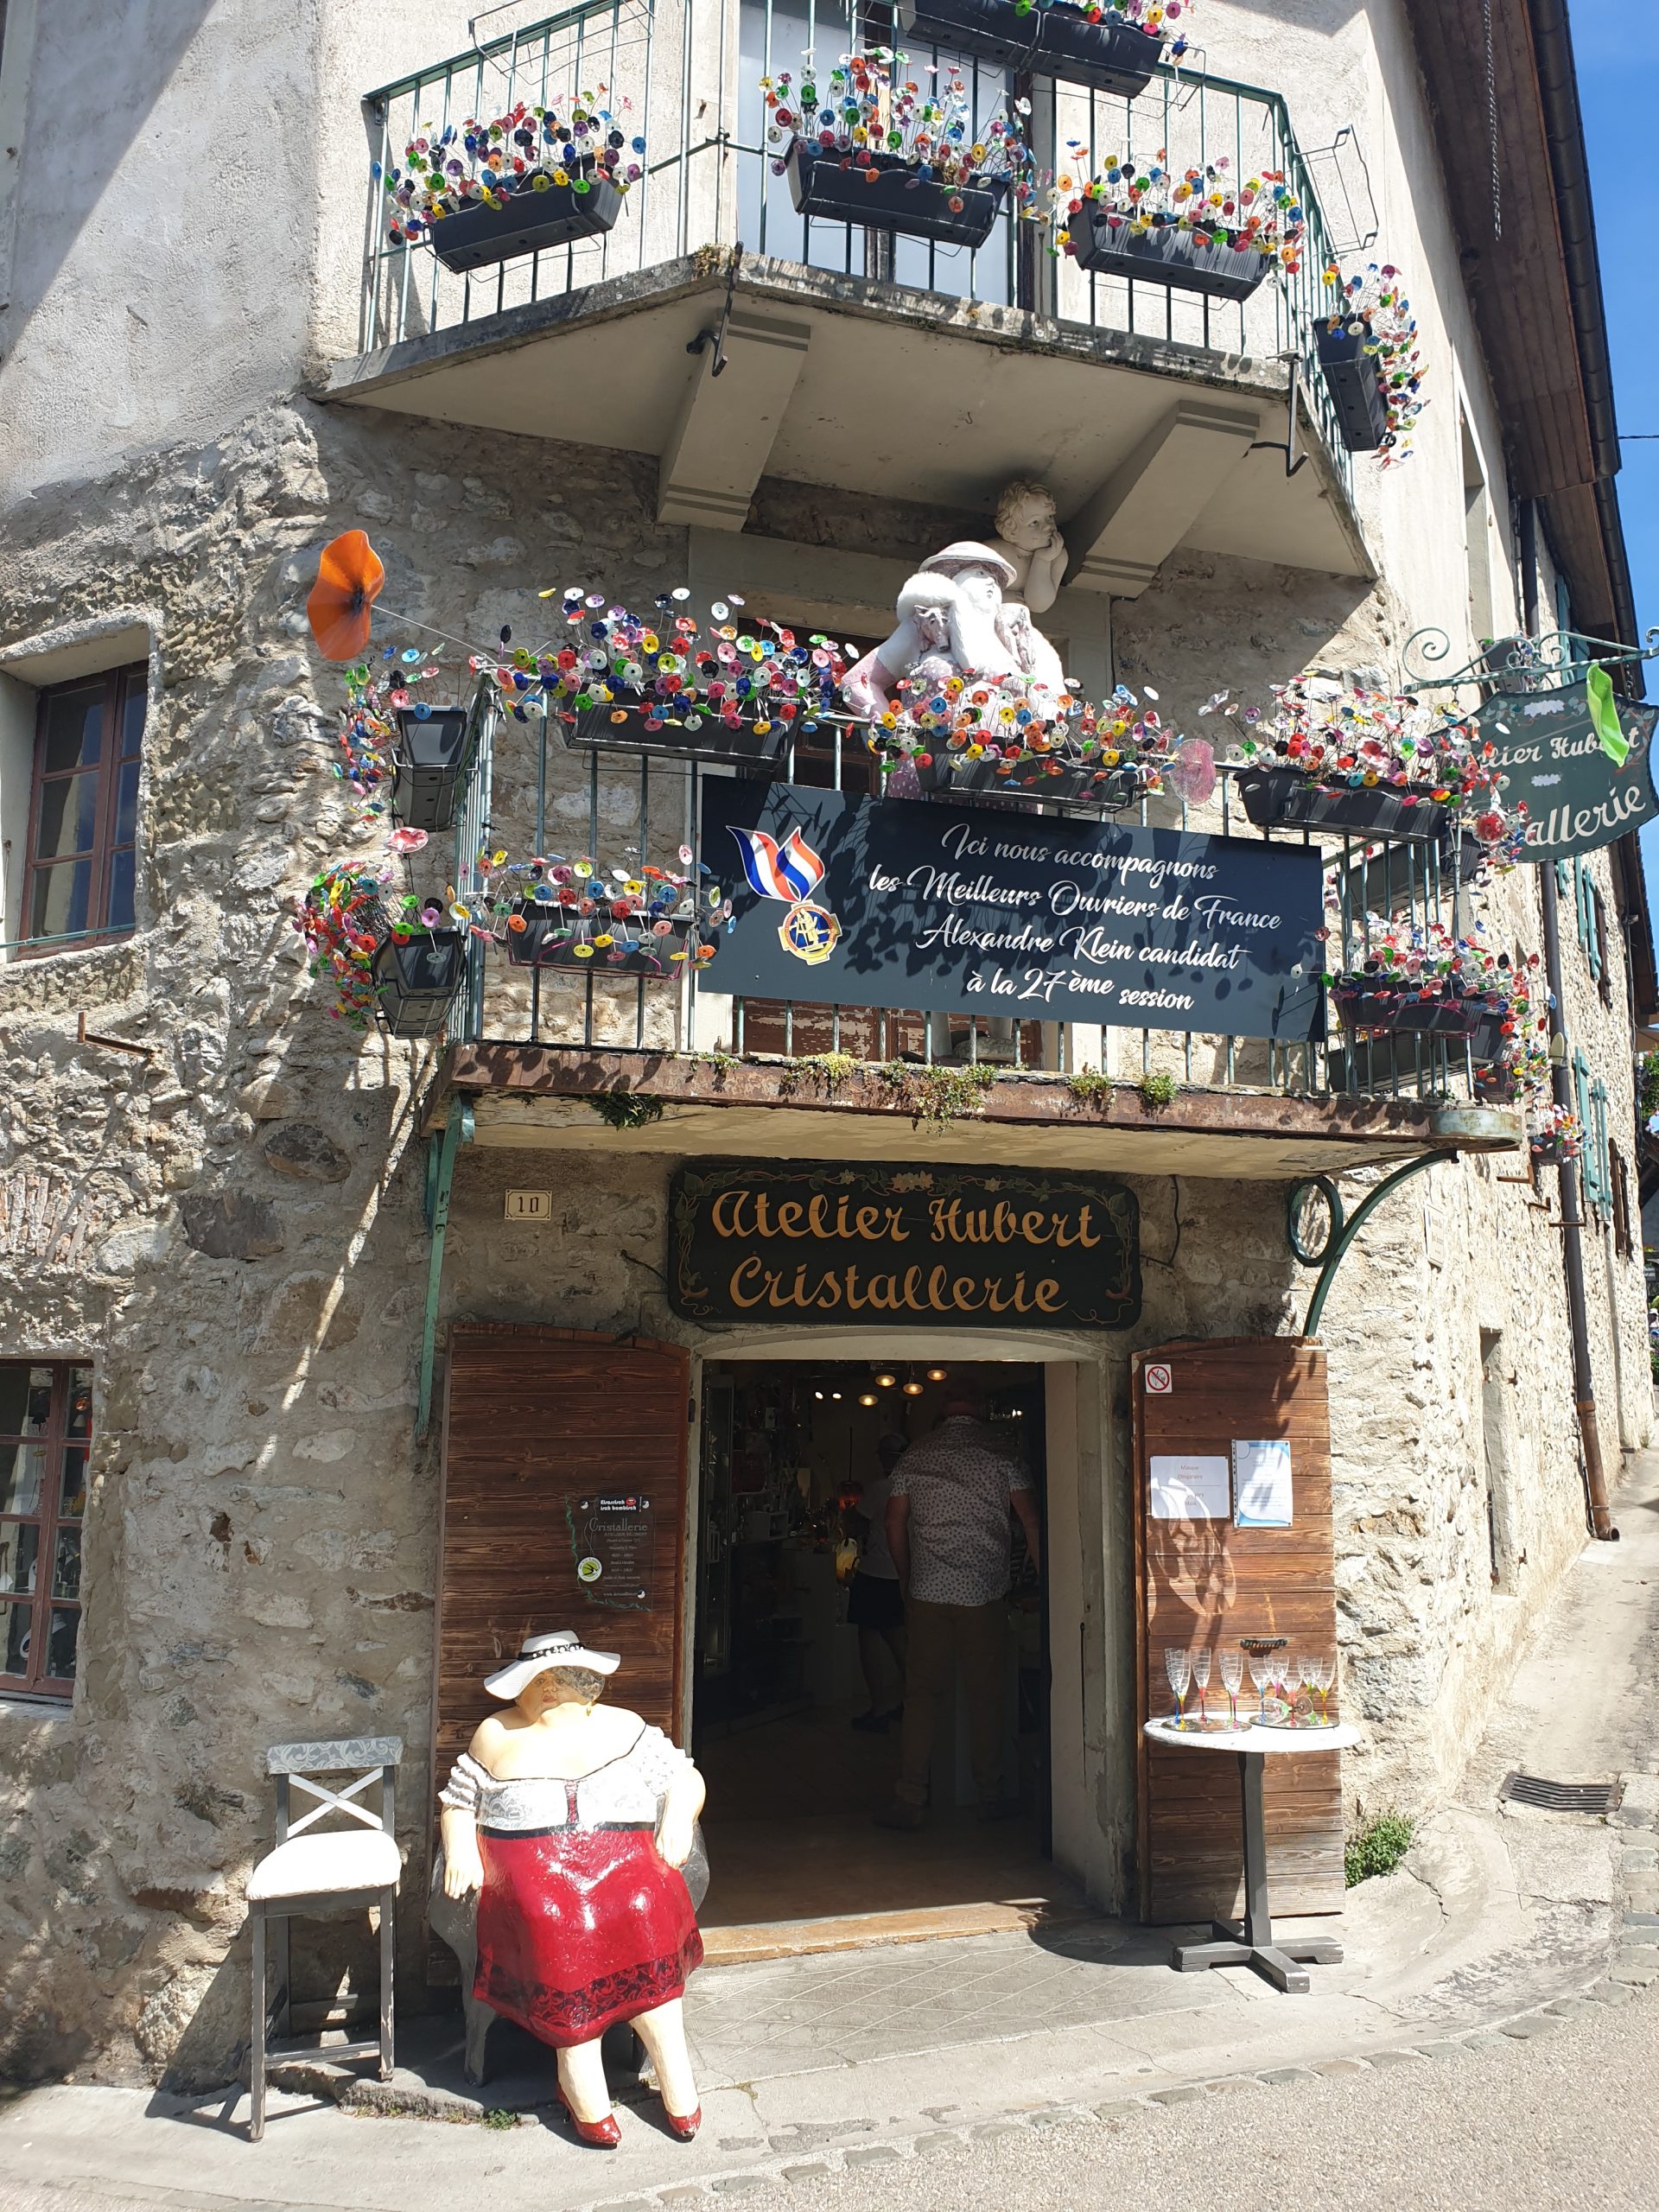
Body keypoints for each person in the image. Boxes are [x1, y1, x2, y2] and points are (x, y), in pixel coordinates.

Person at [438, 1628, 707, 2149]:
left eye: (562, 1682)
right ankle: (577, 2064)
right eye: (541, 1683)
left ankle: (671, 2059)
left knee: (644, 1901)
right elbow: (458, 1801)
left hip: (623, 1856)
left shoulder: (626, 1728)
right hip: (532, 1863)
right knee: (556, 1918)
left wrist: (677, 1815)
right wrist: (461, 1847)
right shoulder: (496, 1734)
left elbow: (683, 1776)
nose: (553, 1692)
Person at [875, 1393, 1040, 1830]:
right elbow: (1030, 1520)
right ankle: (990, 1793)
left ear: (943, 1415)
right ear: (980, 1413)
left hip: (927, 1592)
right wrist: (1044, 1580)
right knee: (985, 1696)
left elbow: (893, 1522)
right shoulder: (1000, 1453)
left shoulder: (917, 1453)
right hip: (983, 1593)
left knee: (921, 1696)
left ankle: (910, 1797)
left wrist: (907, 1575)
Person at [846, 1433, 908, 1732]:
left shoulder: (881, 1488)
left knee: (869, 1637)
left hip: (875, 1570)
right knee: (898, 1638)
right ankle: (916, 1701)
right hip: (901, 1572)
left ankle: (879, 1705)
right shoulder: (915, 1487)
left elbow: (855, 1521)